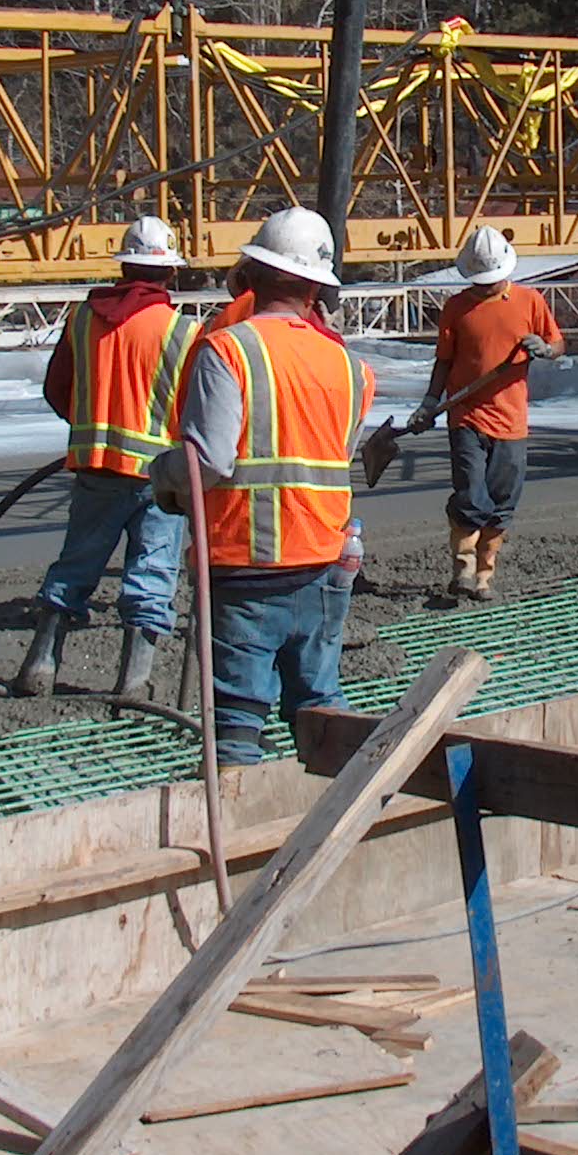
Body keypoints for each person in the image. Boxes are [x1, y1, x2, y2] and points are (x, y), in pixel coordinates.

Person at [152, 207, 375, 766]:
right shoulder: (351, 368)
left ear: (252, 276)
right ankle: (341, 820)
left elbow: (207, 462)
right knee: (321, 707)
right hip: (326, 564)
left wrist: (162, 474)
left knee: (236, 722)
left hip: (247, 566)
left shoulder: (228, 350)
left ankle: (241, 838)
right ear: (316, 291)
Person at [13, 217, 199, 700]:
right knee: (152, 575)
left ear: (124, 266)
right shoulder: (181, 332)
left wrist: (91, 427)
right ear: (170, 273)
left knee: (75, 565)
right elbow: (193, 411)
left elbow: (58, 389)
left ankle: (39, 668)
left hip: (95, 468)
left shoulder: (81, 319)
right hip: (160, 478)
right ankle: (134, 683)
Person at [408, 227, 565, 600]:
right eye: (479, 282)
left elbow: (558, 344)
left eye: (491, 281)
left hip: (511, 422)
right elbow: (444, 362)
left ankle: (484, 578)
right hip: (466, 417)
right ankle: (462, 570)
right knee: (471, 496)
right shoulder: (457, 307)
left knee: (501, 501)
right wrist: (430, 402)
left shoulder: (530, 301)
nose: (486, 288)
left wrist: (545, 348)